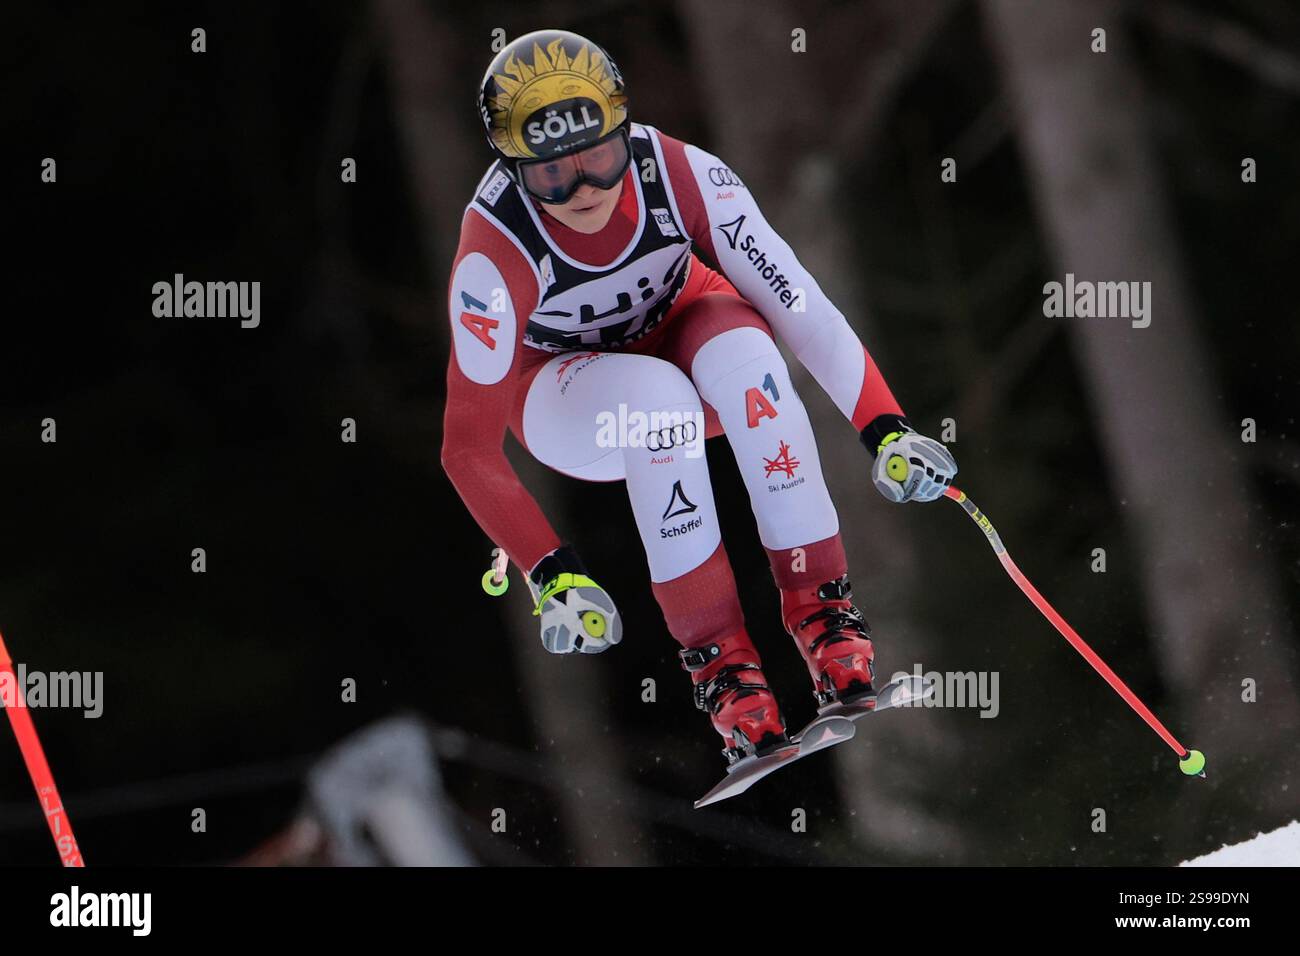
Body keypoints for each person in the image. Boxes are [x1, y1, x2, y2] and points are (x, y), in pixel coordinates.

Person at [443, 29, 958, 766]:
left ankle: (828, 620)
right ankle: (725, 672)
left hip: (683, 330)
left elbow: (800, 306)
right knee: (657, 405)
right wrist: (550, 571)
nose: (585, 188)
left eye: (599, 156)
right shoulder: (493, 254)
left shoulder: (682, 174)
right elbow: (466, 447)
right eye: (553, 175)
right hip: (564, 394)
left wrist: (887, 427)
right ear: (514, 170)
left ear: (626, 131)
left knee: (750, 355)